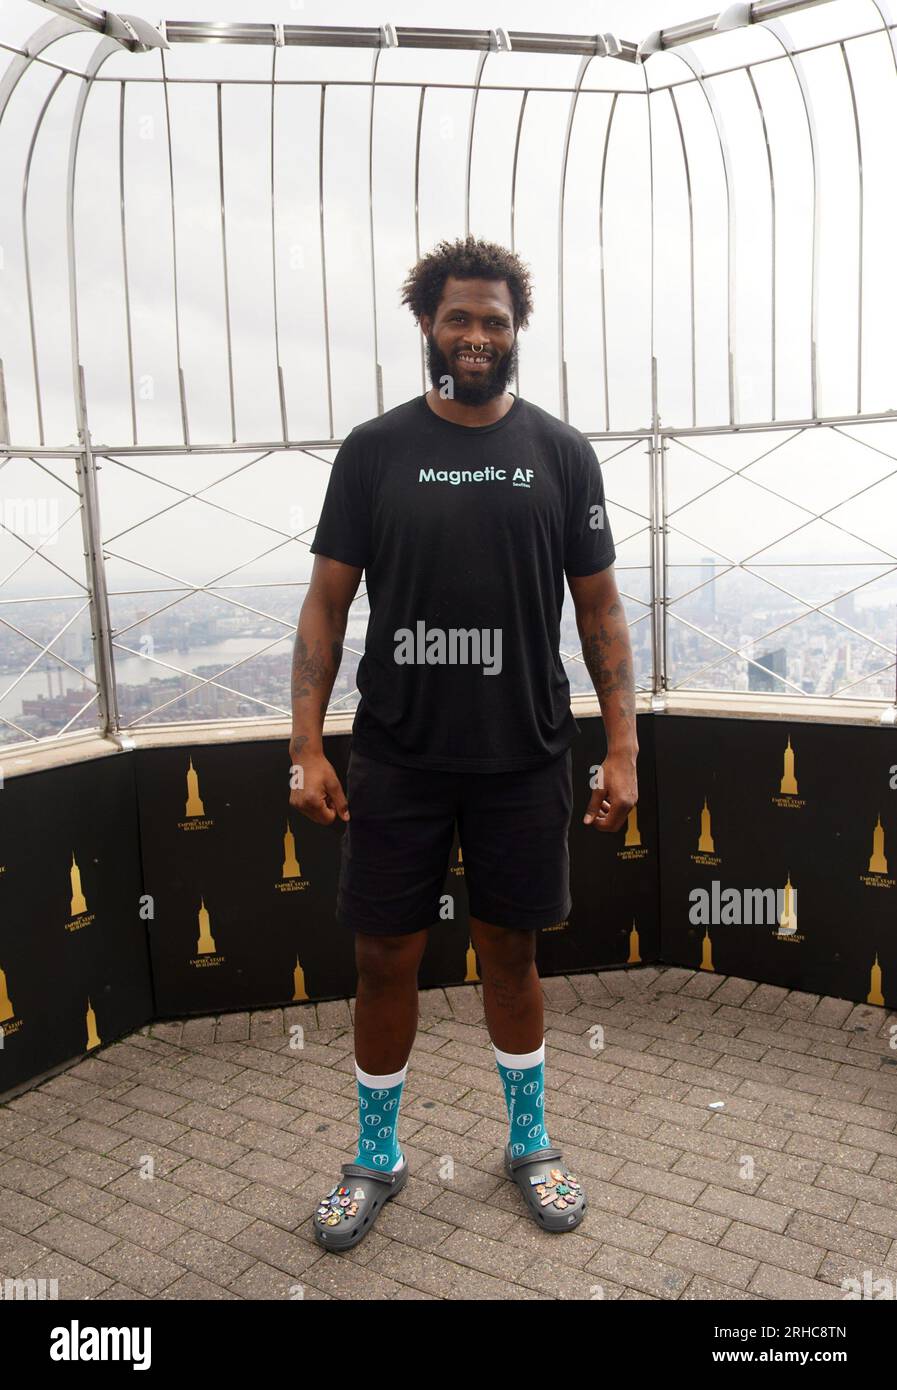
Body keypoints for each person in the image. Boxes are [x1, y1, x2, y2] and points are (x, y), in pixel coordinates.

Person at [289, 234, 638, 1252]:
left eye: (494, 320)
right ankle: (375, 1158)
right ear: (428, 326)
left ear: (515, 331)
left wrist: (620, 749)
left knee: (512, 954)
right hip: (397, 754)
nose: (477, 335)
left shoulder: (562, 454)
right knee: (383, 956)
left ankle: (529, 1146)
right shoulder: (374, 452)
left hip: (525, 752)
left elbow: (602, 610)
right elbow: (324, 606)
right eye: (460, 318)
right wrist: (306, 746)